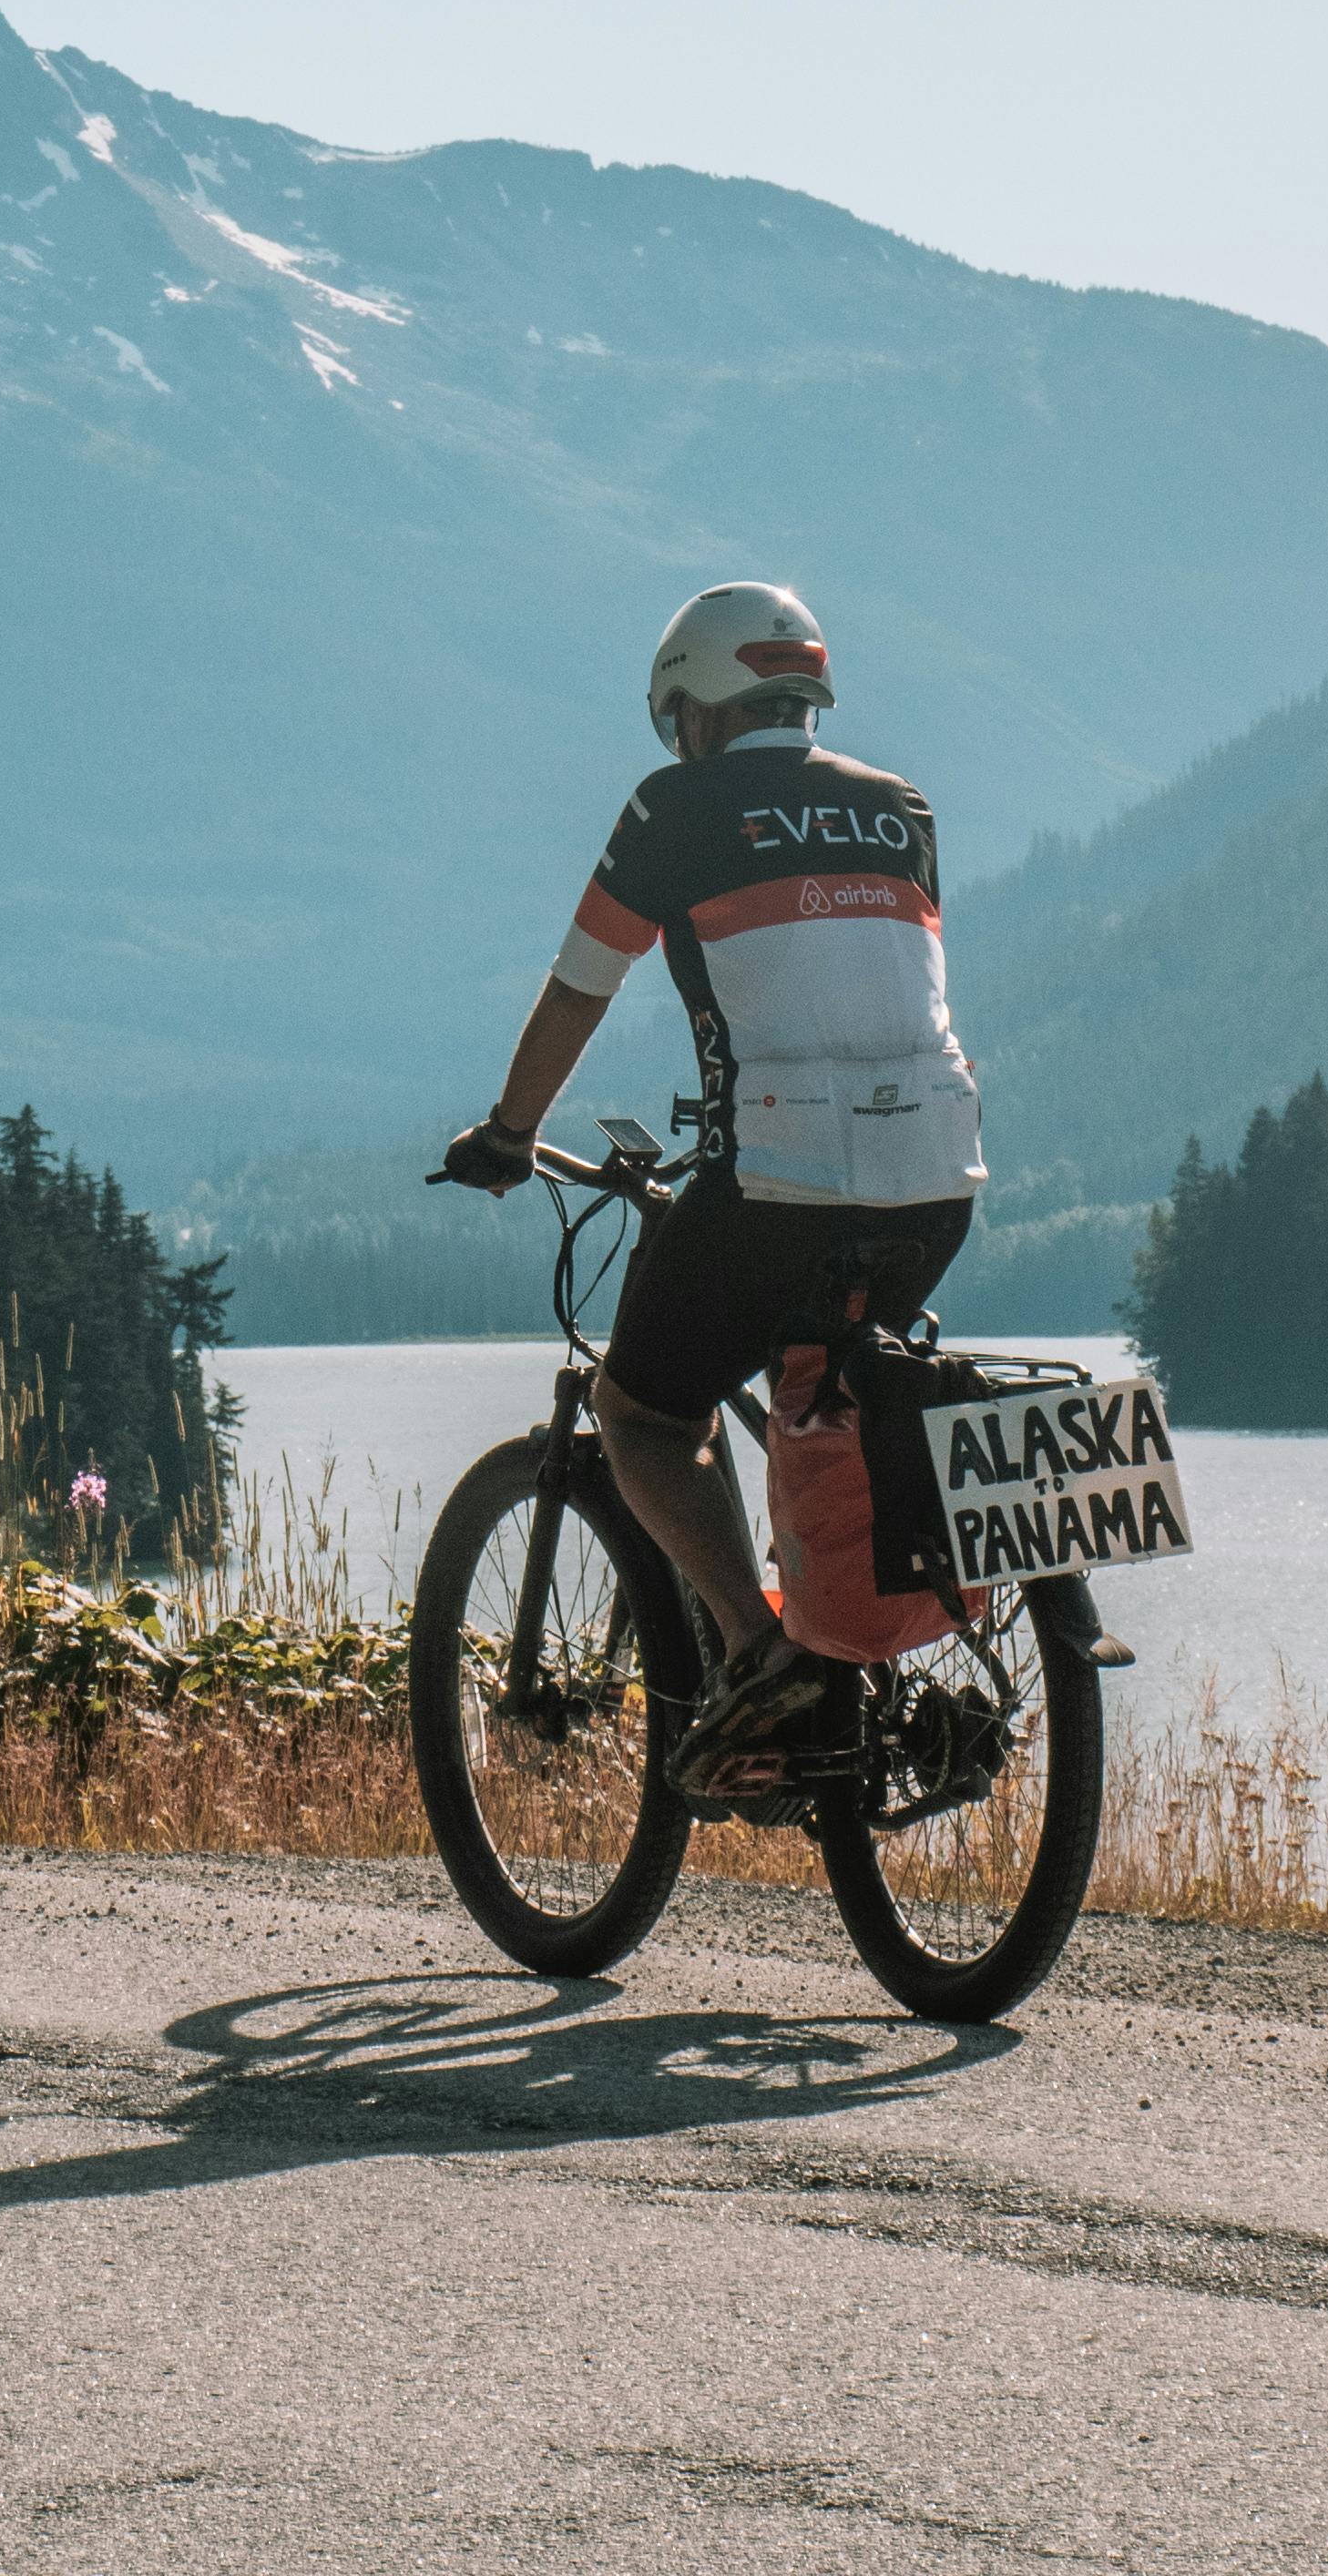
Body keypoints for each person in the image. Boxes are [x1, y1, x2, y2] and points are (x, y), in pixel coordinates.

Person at [444, 576, 984, 1778]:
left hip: (783, 1179)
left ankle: (764, 1652)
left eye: (674, 717)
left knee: (643, 1412)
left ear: (701, 707)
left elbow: (584, 980)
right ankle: (859, 1673)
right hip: (942, 1175)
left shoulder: (674, 806)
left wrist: (509, 1130)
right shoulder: (903, 807)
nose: (674, 739)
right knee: (833, 1385)